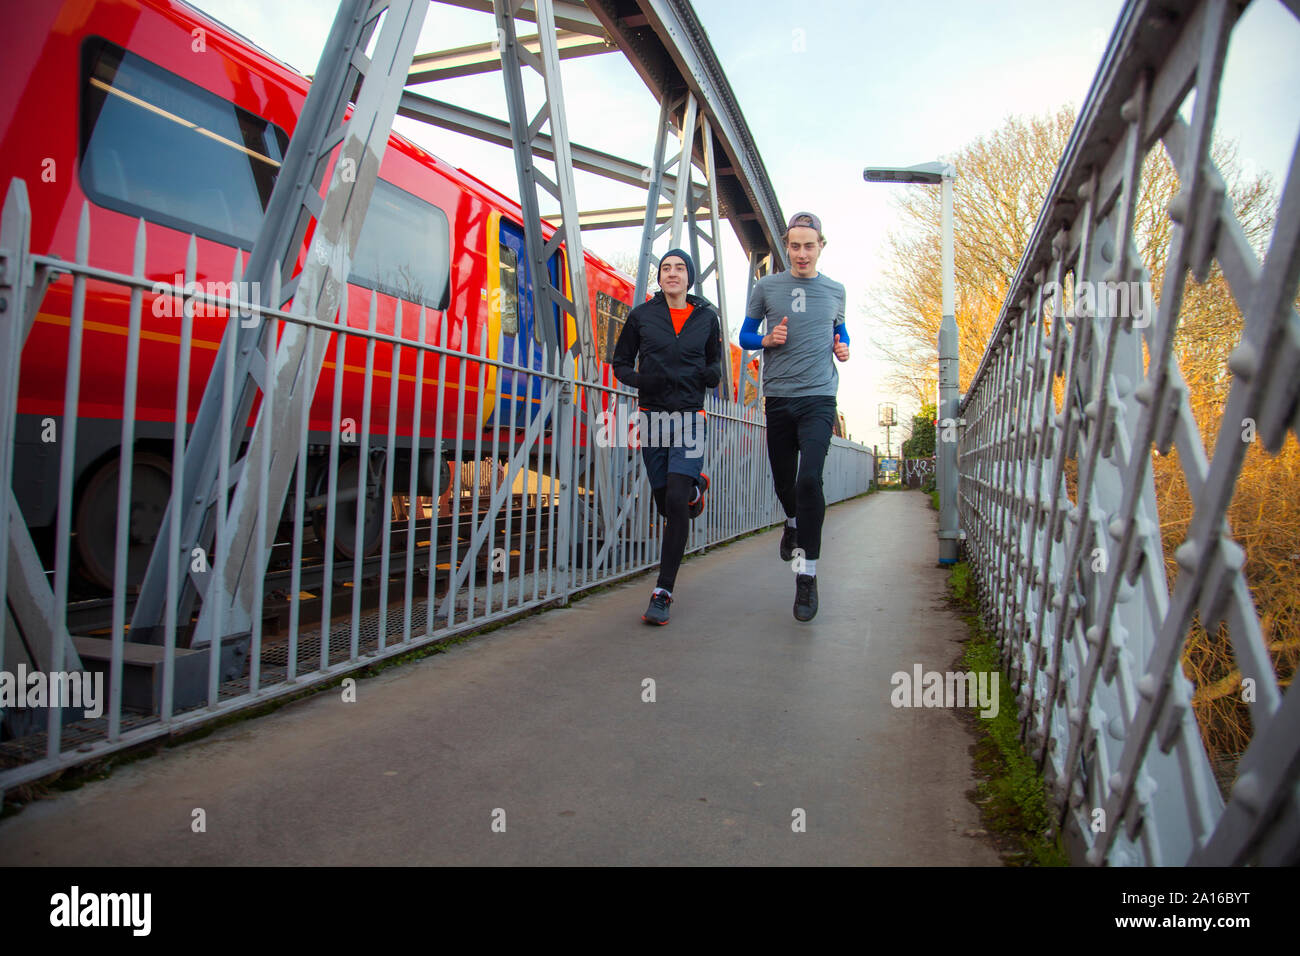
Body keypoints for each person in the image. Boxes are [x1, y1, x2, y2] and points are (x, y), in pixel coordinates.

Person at [738, 212, 850, 622]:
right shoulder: (767, 287)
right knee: (785, 482)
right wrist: (766, 338)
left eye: (810, 245)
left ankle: (807, 576)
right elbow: (745, 335)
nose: (802, 253)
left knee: (809, 480)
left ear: (822, 246)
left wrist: (843, 346)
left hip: (819, 398)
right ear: (787, 247)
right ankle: (790, 522)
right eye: (795, 245)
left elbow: (841, 329)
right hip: (780, 399)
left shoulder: (835, 290)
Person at [612, 249, 722, 626]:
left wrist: (711, 375)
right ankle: (695, 489)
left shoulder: (707, 317)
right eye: (665, 268)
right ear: (659, 278)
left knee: (674, 500)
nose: (672, 273)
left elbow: (715, 361)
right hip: (652, 418)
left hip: (690, 417)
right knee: (666, 502)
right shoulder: (642, 316)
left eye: (679, 268)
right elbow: (620, 364)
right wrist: (643, 381)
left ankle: (663, 591)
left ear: (689, 277)